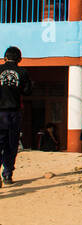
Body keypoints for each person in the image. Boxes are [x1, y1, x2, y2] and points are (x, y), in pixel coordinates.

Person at [0, 46, 33, 186]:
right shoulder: (23, 72)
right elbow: (27, 92)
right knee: (11, 144)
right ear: (20, 59)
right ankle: (7, 175)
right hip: (14, 113)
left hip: (0, 114)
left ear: (5, 58)